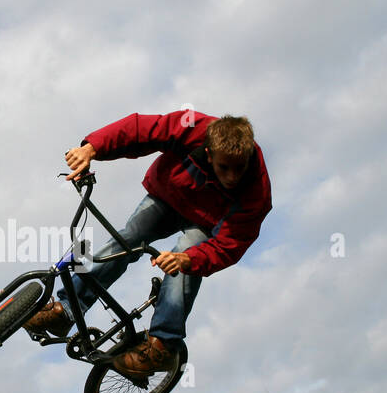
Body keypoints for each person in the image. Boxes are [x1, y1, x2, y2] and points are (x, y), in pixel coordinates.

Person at [24, 109, 272, 377]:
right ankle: (68, 311)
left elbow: (231, 243)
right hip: (168, 196)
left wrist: (190, 260)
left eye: (239, 169)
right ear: (209, 153)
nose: (232, 177)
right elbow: (141, 130)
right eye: (224, 168)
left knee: (183, 259)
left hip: (205, 223)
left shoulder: (256, 189)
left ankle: (164, 345)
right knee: (128, 238)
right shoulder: (193, 128)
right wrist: (92, 148)